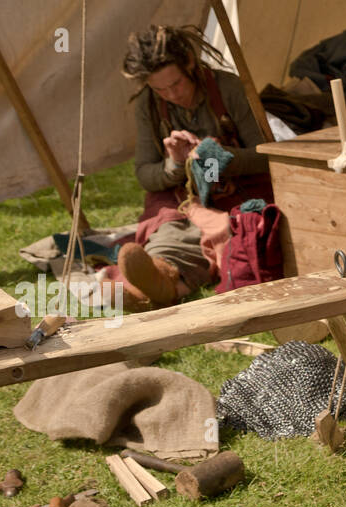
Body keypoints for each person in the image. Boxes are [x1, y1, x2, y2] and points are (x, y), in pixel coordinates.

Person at [115, 25, 273, 309]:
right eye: (160, 89)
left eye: (176, 84)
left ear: (189, 64)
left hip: (239, 191)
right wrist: (175, 163)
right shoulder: (147, 106)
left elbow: (266, 156)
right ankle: (158, 280)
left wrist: (216, 156)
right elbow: (144, 174)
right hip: (182, 200)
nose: (171, 95)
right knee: (170, 231)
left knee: (232, 230)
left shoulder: (229, 88)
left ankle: (160, 290)